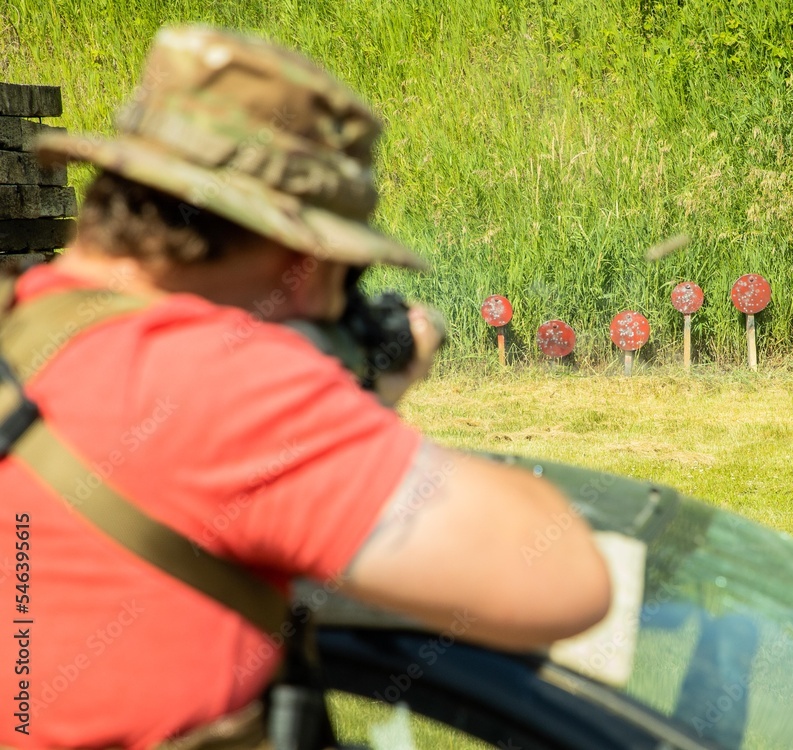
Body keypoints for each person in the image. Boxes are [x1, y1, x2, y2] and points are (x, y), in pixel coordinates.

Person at [0, 25, 610, 750]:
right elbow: (560, 577)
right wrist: (355, 404)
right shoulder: (217, 382)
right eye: (344, 271)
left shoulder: (24, 320)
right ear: (302, 252)